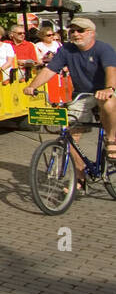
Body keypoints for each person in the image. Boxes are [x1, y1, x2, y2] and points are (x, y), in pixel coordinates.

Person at [24, 18, 116, 181]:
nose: (75, 34)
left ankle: (111, 140)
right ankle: (80, 176)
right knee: (70, 137)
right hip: (82, 95)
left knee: (108, 103)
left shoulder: (103, 48)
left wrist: (108, 88)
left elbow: (111, 70)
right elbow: (50, 70)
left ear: (91, 33)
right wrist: (33, 86)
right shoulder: (66, 50)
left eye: (80, 30)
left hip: (106, 91)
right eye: (72, 31)